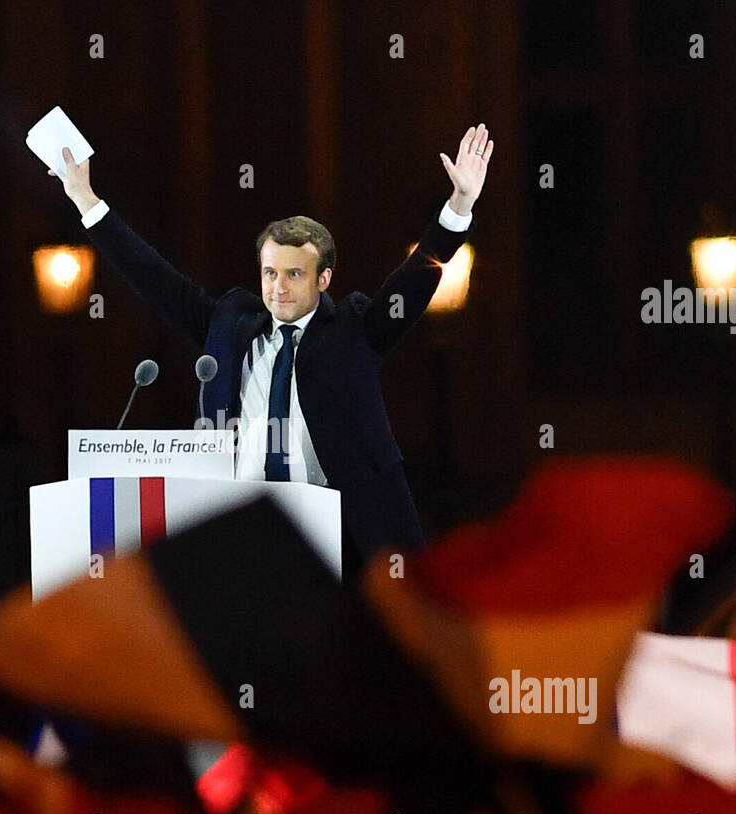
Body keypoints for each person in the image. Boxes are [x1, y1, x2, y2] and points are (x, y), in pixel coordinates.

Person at [49, 124, 494, 572]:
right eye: (269, 273)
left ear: (323, 279)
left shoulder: (355, 330)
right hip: (246, 532)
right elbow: (153, 278)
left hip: (341, 536)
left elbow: (415, 278)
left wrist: (459, 206)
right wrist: (87, 200)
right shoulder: (230, 323)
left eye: (294, 275)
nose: (278, 288)